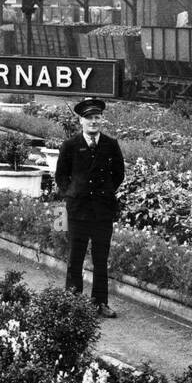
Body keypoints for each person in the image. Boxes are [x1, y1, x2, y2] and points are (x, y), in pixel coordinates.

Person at [55, 97, 125, 318]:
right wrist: (73, 193)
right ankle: (73, 302)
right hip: (78, 210)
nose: (94, 122)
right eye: (89, 118)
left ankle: (100, 303)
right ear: (81, 121)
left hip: (102, 211)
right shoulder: (70, 146)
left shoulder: (110, 145)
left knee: (101, 258)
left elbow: (119, 174)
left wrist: (105, 192)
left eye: (97, 117)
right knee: (75, 257)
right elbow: (61, 176)